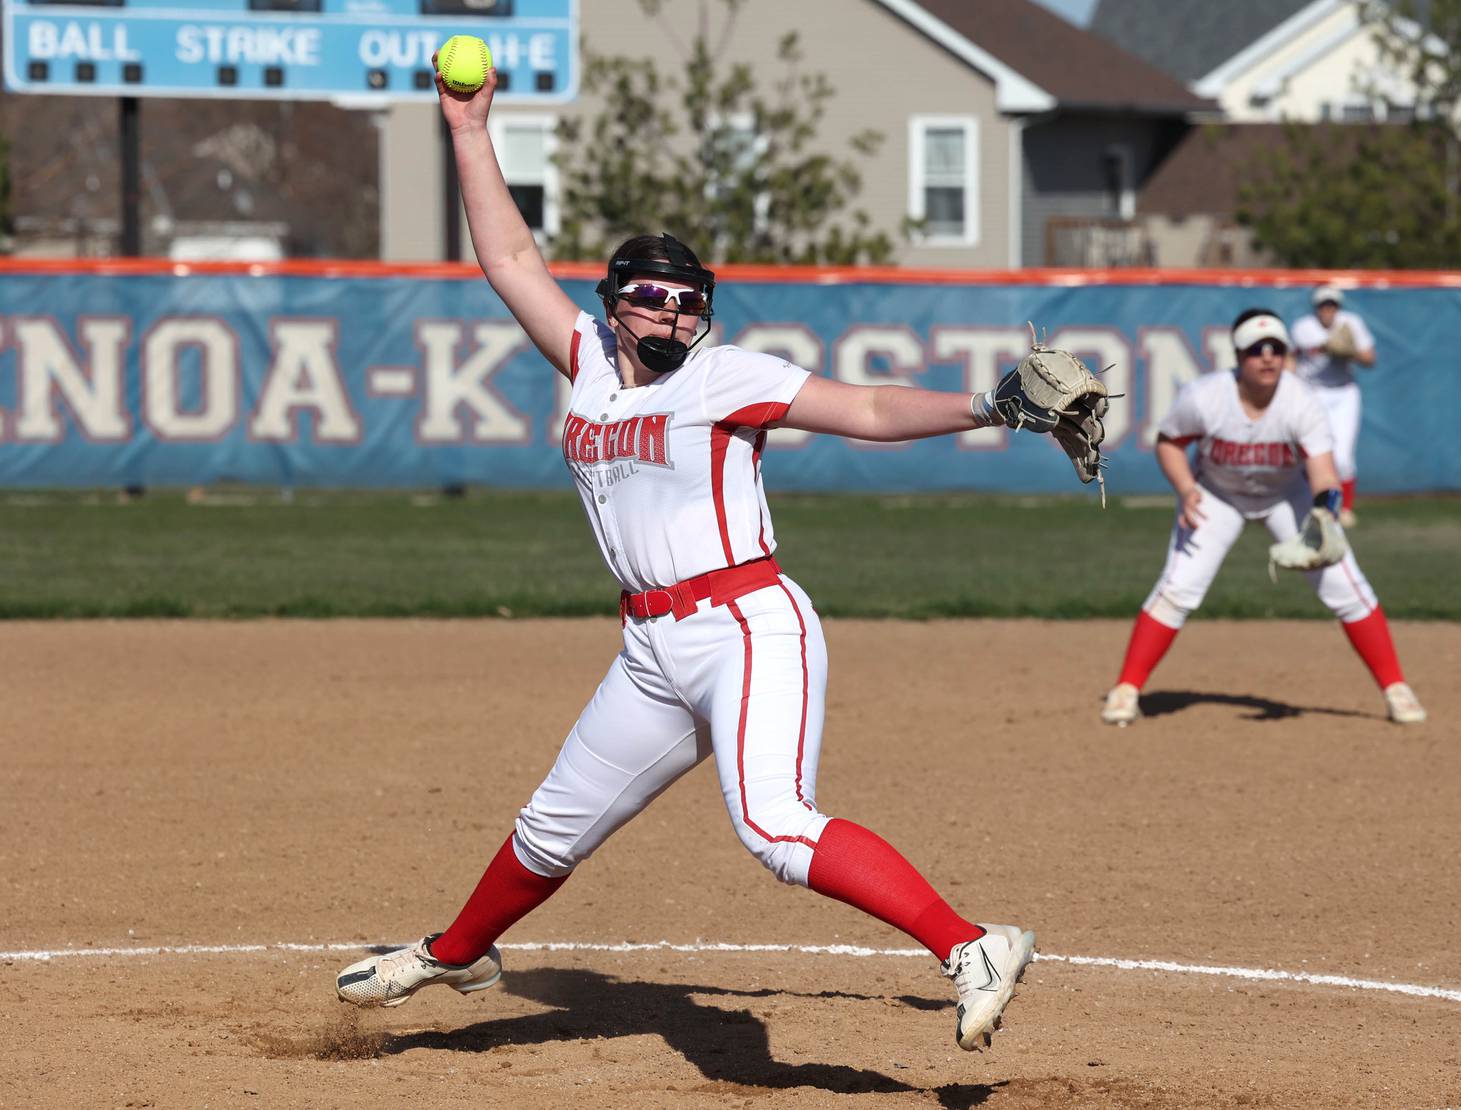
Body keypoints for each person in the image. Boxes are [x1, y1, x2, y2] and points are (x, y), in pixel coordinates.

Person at [330, 54, 1093, 1053]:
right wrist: (469, 131)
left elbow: (865, 407)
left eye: (689, 301)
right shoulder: (588, 364)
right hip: (651, 647)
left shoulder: (721, 376)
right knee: (552, 827)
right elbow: (510, 259)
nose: (673, 314)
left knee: (774, 824)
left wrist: (986, 405)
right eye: (653, 295)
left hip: (744, 625)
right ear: (613, 301)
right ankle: (456, 953)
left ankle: (973, 945)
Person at [1099, 309, 1425, 728]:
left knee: (1346, 586)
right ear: (1238, 357)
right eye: (1256, 349)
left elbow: (1324, 471)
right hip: (1217, 495)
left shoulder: (1301, 401)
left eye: (1276, 348)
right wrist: (1185, 488)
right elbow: (1169, 442)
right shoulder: (1204, 397)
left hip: (1287, 495)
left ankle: (1396, 688)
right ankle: (1126, 689)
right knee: (1178, 588)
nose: (1268, 356)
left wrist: (1325, 513)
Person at [1291, 285, 1375, 528]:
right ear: (1316, 308)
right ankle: (1309, 504)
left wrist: (1351, 352)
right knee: (1310, 452)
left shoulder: (1351, 322)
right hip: (1312, 393)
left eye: (1332, 305)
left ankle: (1343, 508)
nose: (1328, 310)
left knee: (1342, 458)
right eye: (1323, 306)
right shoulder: (1304, 327)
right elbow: (1292, 358)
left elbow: (1370, 359)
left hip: (1344, 393)